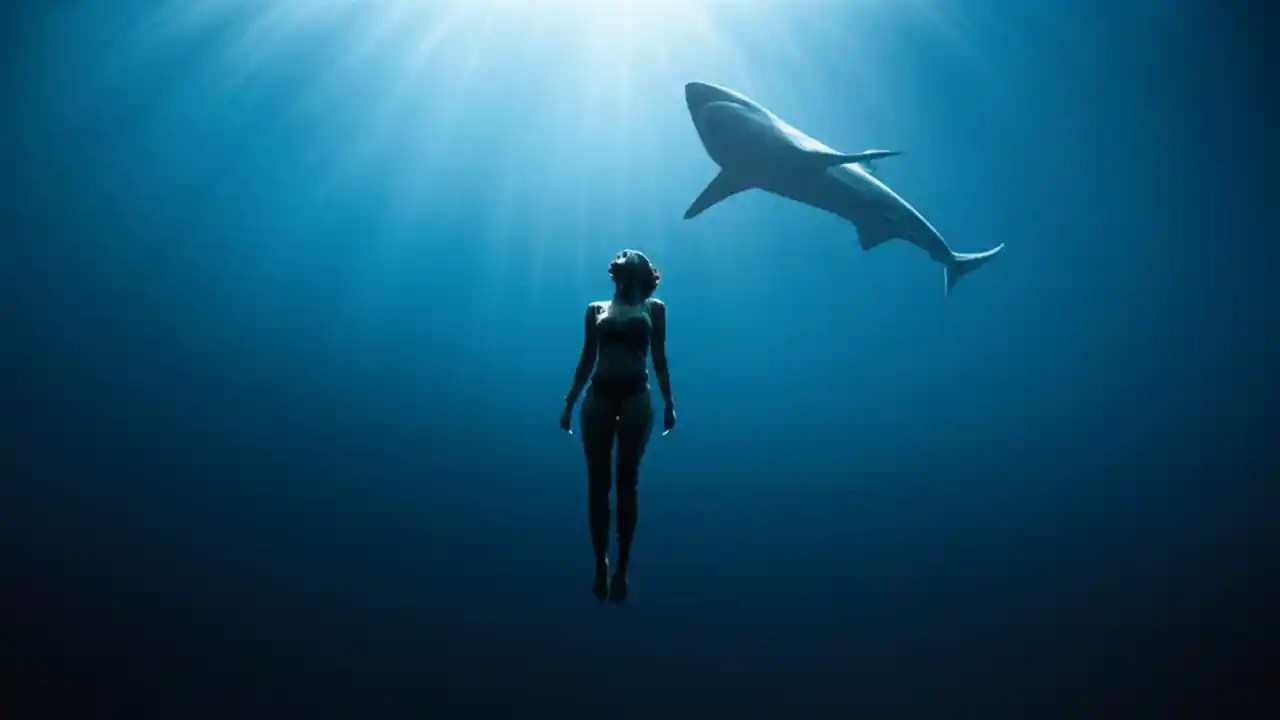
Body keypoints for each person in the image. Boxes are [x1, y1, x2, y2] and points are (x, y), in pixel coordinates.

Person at [560, 249, 676, 603]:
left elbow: (659, 356)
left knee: (627, 483)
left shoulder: (655, 309)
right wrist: (569, 403)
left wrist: (670, 402)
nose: (622, 254)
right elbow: (586, 358)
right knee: (598, 485)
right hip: (599, 396)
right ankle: (600, 564)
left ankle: (622, 568)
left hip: (636, 396)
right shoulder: (595, 310)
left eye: (630, 254)